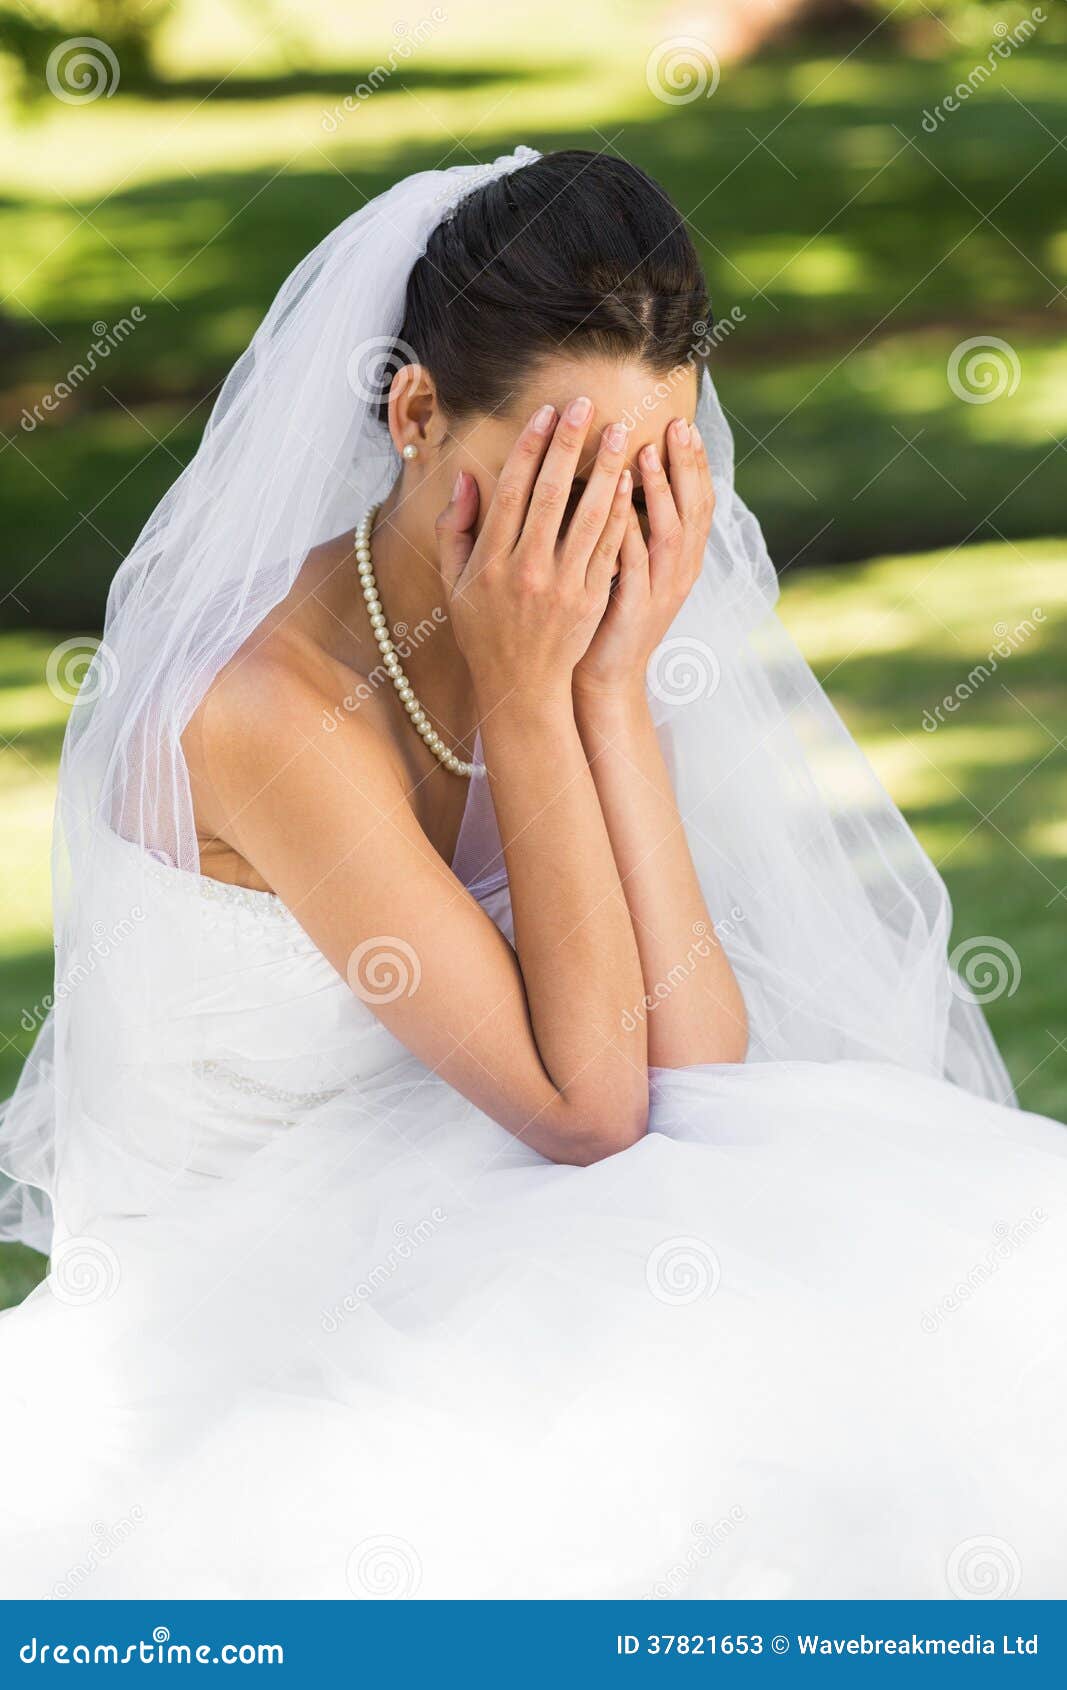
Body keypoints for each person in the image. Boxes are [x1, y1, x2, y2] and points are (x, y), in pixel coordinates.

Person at [0, 145, 1063, 1600]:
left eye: (643, 479)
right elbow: (588, 1107)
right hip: (265, 1275)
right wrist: (526, 691)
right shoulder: (262, 713)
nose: (596, 539)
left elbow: (699, 1060)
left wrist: (609, 693)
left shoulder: (562, 625)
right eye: (559, 477)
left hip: (479, 1181)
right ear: (419, 414)